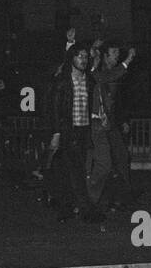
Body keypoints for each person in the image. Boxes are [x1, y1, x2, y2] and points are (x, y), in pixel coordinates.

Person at [49, 42, 101, 223]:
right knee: (77, 170)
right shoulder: (64, 81)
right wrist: (57, 132)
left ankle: (66, 209)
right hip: (68, 131)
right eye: (80, 56)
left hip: (83, 130)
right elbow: (55, 107)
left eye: (86, 56)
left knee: (68, 171)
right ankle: (85, 210)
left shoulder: (88, 80)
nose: (84, 60)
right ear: (72, 58)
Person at [87, 40, 135, 211]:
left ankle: (119, 197)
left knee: (117, 159)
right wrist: (127, 61)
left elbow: (119, 100)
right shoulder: (97, 74)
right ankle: (97, 197)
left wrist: (123, 120)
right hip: (98, 123)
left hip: (109, 123)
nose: (116, 56)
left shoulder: (108, 74)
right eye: (113, 53)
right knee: (104, 162)